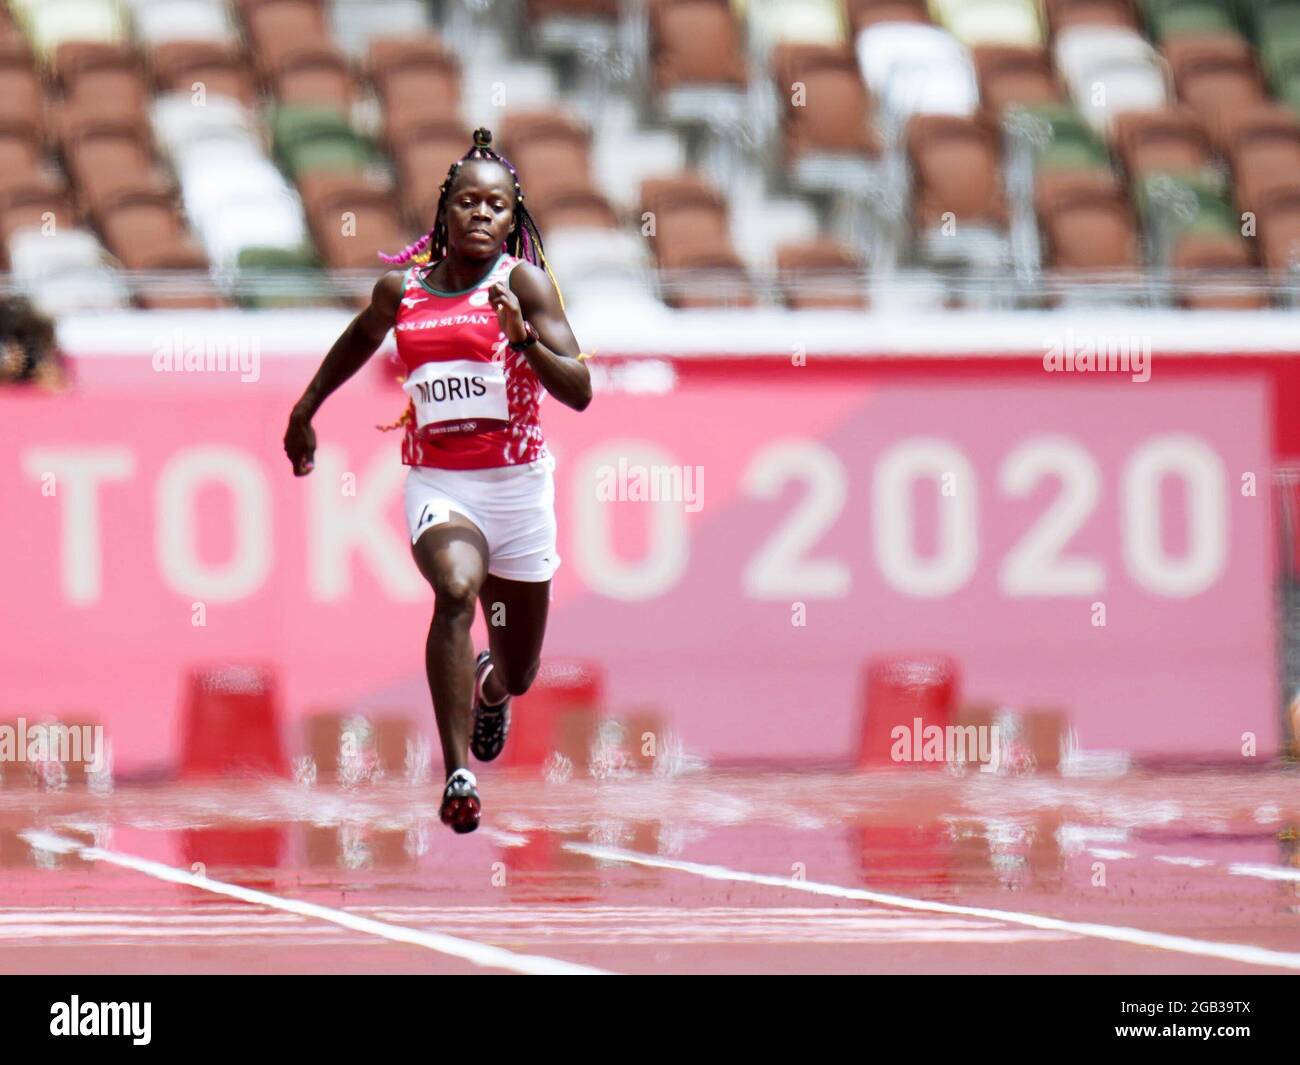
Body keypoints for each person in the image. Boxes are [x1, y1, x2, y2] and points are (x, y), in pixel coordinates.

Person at [284, 127, 592, 833]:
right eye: (468, 202)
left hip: (517, 491)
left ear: (514, 221)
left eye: (496, 207)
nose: (481, 215)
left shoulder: (524, 285)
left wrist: (525, 340)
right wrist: (306, 410)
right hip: (441, 485)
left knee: (519, 670)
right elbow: (361, 337)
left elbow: (579, 390)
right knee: (455, 588)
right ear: (443, 211)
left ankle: (490, 686)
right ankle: (457, 770)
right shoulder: (404, 290)